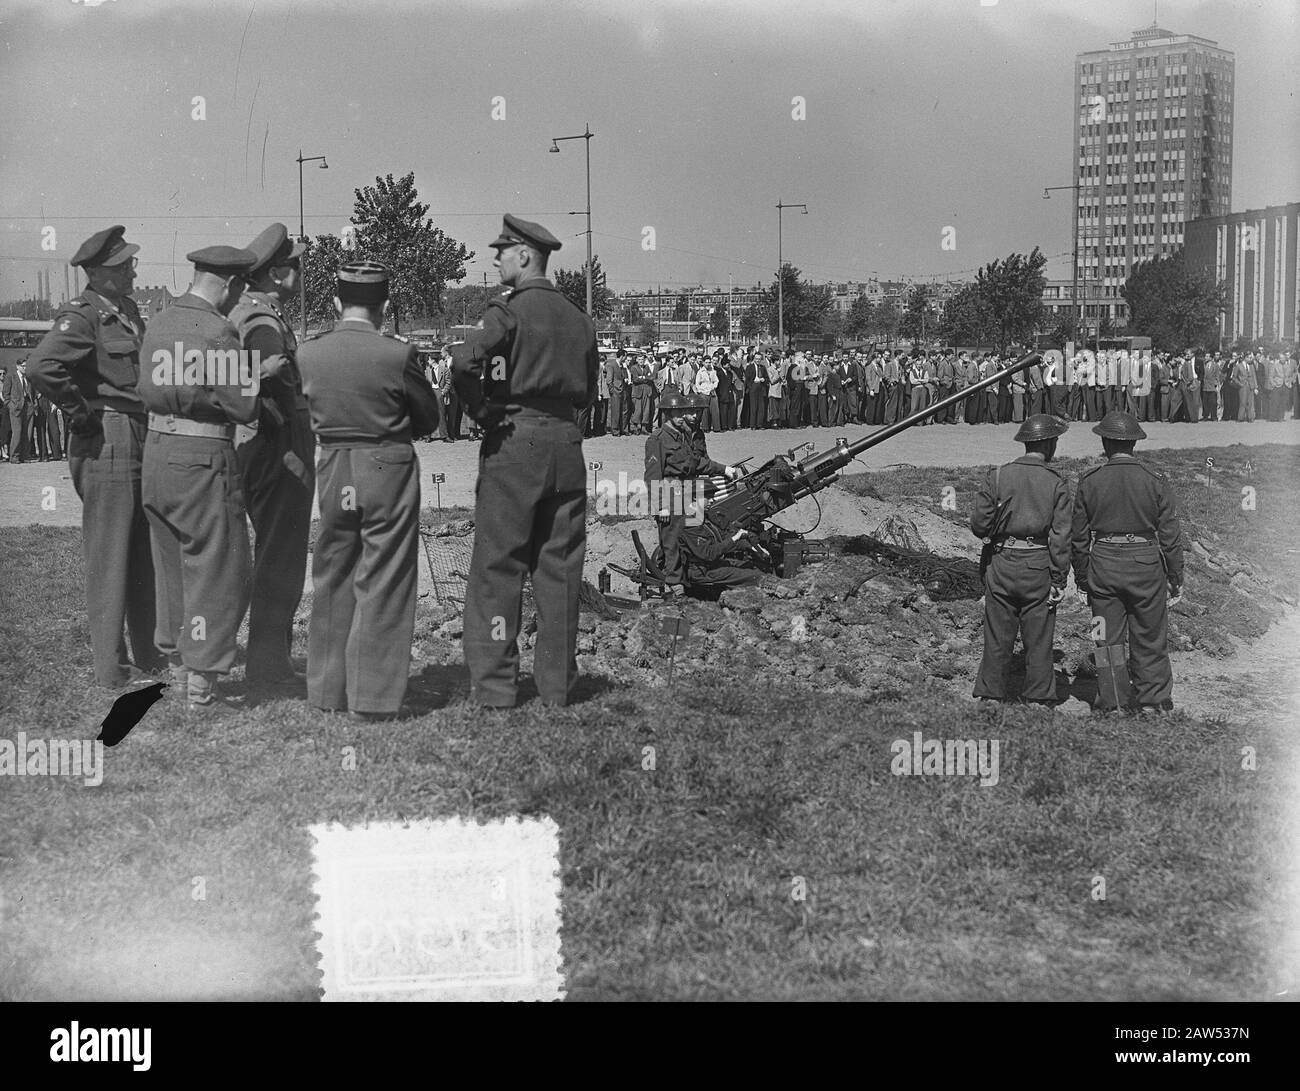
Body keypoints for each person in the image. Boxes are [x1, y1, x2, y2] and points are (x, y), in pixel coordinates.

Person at [451, 214, 598, 708]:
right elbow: (591, 391)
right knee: (559, 568)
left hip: (515, 441)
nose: (494, 260)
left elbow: (463, 361)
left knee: (499, 564)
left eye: (501, 251)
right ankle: (556, 687)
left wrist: (481, 409)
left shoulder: (507, 312)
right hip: (566, 443)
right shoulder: (579, 317)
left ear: (525, 256)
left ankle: (495, 688)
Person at [298, 261, 439, 719]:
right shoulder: (397, 355)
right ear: (385, 307)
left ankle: (326, 693)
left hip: (334, 465)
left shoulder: (309, 352)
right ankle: (372, 698)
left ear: (336, 303)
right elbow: (428, 419)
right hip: (388, 465)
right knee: (385, 577)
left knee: (333, 574)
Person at [27, 225, 165, 687]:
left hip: (140, 432)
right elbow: (41, 366)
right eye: (122, 265)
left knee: (143, 551)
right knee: (110, 553)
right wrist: (80, 414)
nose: (132, 269)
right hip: (108, 436)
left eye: (130, 262)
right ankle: (111, 667)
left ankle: (149, 655)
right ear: (98, 273)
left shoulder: (125, 311)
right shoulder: (82, 316)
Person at [139, 245, 260, 709]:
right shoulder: (218, 330)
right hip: (202, 454)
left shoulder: (160, 322)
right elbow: (245, 405)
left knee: (170, 565)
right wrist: (257, 374)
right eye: (239, 289)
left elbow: (148, 386)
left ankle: (176, 668)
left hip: (156, 451)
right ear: (229, 285)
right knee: (217, 565)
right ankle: (202, 688)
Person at [225, 224, 316, 686]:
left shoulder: (256, 313)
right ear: (279, 273)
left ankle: (272, 659)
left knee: (276, 557)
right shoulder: (263, 324)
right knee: (280, 561)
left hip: (267, 450)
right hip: (278, 451)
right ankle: (268, 668)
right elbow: (262, 385)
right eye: (296, 264)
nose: (301, 271)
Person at [1070, 410, 1185, 713]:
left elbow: (1078, 538)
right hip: (1146, 564)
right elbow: (1171, 535)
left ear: (1106, 443)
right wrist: (1175, 575)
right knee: (1150, 635)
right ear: (1134, 444)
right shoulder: (1154, 481)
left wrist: (1083, 578)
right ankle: (1154, 702)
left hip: (1104, 563)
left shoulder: (1089, 481)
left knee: (1105, 636)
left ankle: (1114, 702)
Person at [970, 414, 1071, 704]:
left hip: (1001, 562)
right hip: (1038, 564)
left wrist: (997, 536)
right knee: (1039, 637)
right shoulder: (1055, 482)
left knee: (997, 633)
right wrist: (1059, 577)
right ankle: (1038, 697)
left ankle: (990, 694)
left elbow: (979, 524)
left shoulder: (998, 475)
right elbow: (1061, 536)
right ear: (1049, 444)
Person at [645, 390, 750, 590]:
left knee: (687, 536)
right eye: (676, 413)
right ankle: (674, 587)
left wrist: (722, 469)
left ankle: (688, 577)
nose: (682, 416)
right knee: (671, 541)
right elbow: (652, 476)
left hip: (686, 491)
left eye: (682, 412)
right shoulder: (657, 439)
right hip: (670, 494)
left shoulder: (681, 437)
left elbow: (695, 462)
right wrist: (661, 506)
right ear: (666, 414)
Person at [3, 357, 35, 462]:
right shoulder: (11, 377)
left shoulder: (28, 378)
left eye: (26, 366)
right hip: (16, 409)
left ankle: (25, 455)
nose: (25, 368)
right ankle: (14, 456)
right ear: (18, 366)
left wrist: (33, 405)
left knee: (28, 433)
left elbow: (31, 392)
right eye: (23, 366)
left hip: (28, 408)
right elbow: (6, 395)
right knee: (17, 432)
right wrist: (11, 406)